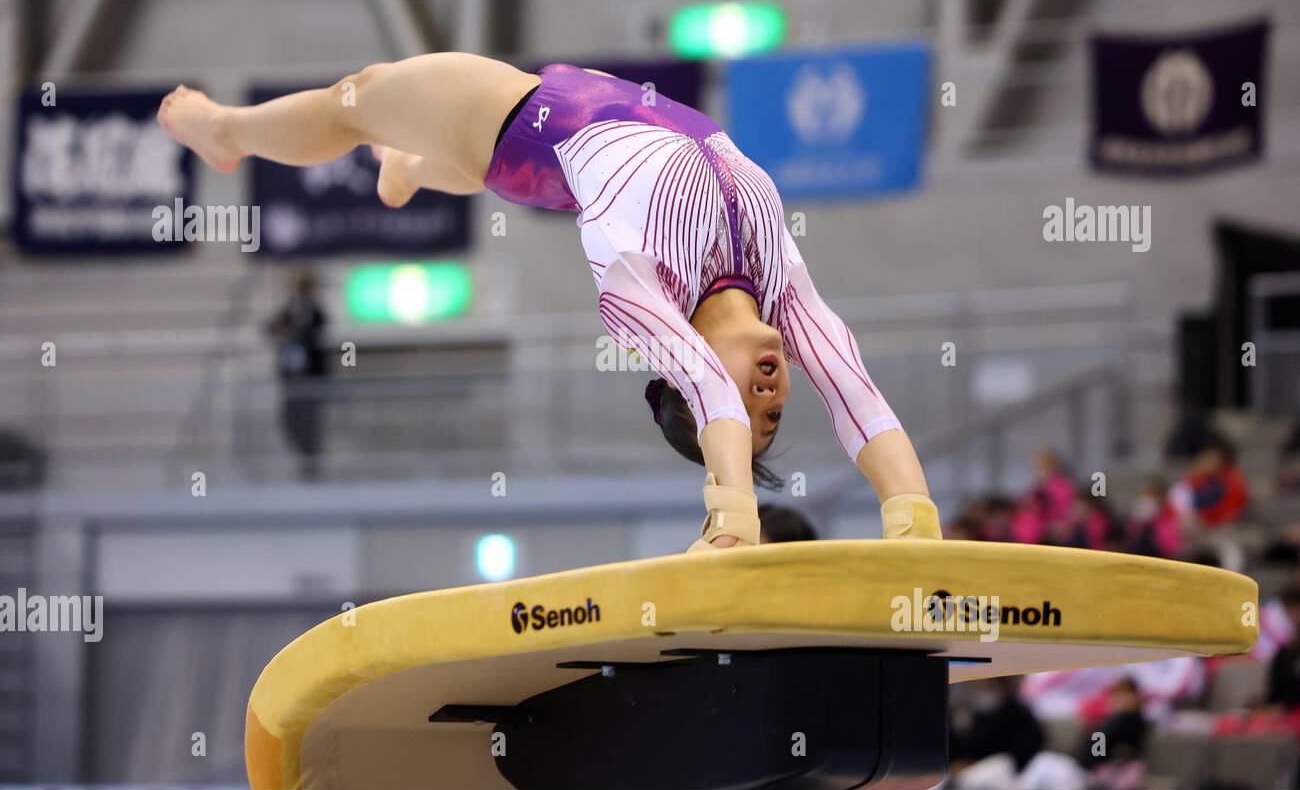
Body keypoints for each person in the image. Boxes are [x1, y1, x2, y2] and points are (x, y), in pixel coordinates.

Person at [158, 54, 939, 549]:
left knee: (348, 101)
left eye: (751, 415)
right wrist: (913, 520)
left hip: (520, 124)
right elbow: (859, 395)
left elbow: (709, 391)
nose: (770, 400)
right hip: (579, 116)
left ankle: (227, 133)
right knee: (436, 146)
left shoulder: (636, 289)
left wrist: (732, 521)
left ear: (681, 378)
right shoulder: (781, 290)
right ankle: (407, 168)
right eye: (778, 414)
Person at [265, 268, 328, 480]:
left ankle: (311, 468)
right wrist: (284, 330)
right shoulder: (288, 310)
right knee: (290, 421)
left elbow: (318, 334)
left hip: (310, 379)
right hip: (291, 378)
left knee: (311, 424)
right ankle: (303, 461)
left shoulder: (316, 313)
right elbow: (269, 328)